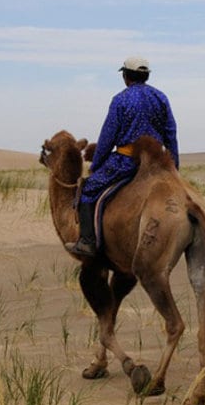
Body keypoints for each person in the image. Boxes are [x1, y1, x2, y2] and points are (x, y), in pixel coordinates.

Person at [65, 56, 180, 258]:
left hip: (126, 162)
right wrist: (173, 167)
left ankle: (87, 242)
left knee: (88, 189)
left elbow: (107, 137)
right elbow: (171, 133)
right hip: (156, 165)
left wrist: (97, 164)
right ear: (146, 76)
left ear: (126, 76)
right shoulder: (161, 97)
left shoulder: (120, 100)